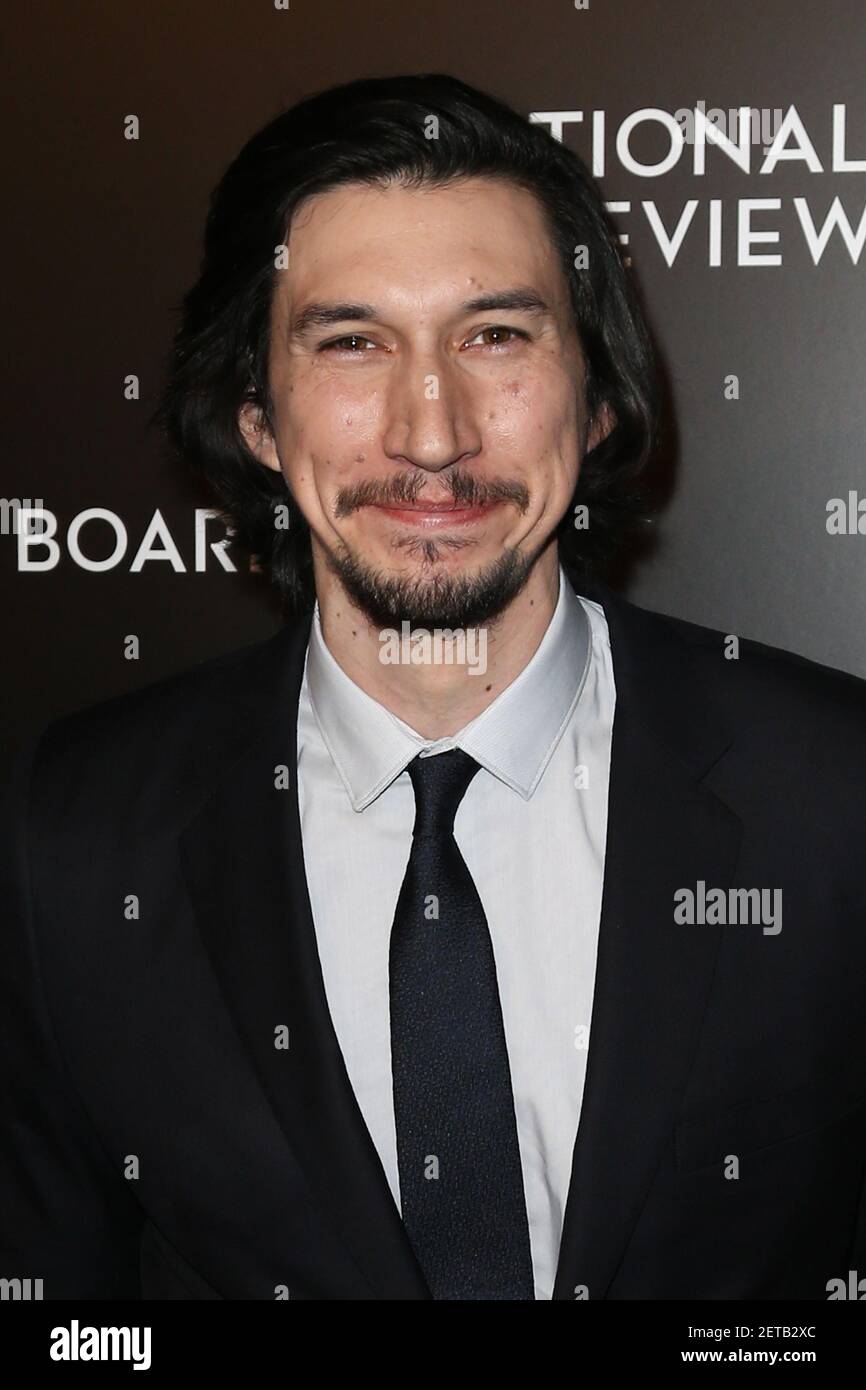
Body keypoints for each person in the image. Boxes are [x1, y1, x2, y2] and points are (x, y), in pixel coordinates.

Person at [2, 73, 865, 1302]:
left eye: (496, 337)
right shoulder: (78, 833)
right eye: (351, 342)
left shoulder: (835, 797)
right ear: (255, 412)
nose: (430, 433)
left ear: (599, 393)